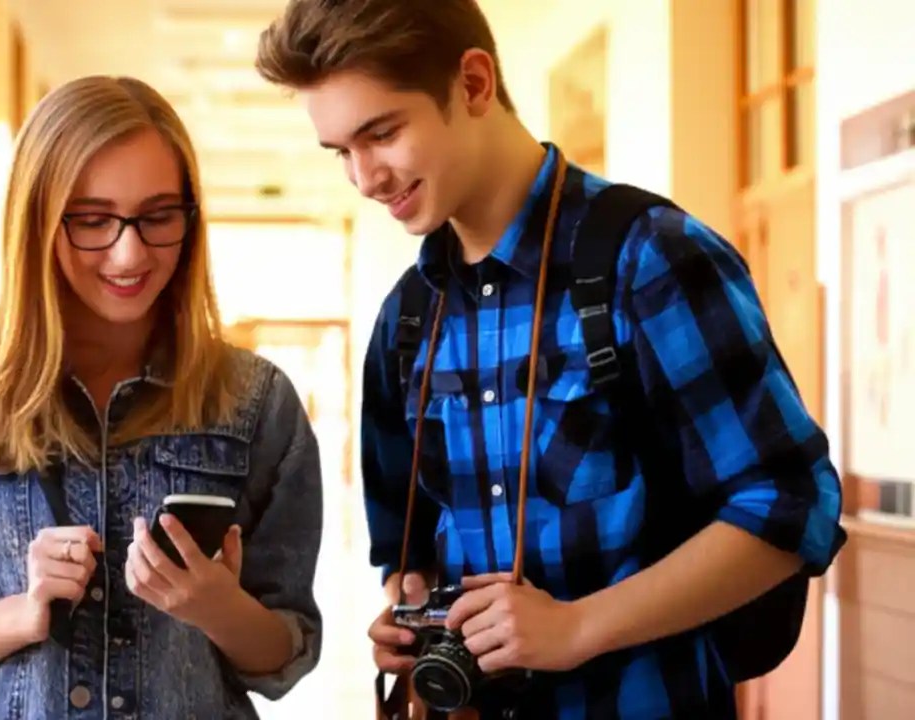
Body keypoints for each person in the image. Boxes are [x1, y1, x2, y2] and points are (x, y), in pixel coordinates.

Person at [255, 1, 846, 718]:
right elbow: (407, 554)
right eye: (341, 152)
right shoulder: (407, 318)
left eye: (381, 134)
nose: (365, 177)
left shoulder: (649, 259)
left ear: (474, 84)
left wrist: (576, 628)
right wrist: (411, 612)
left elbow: (791, 503)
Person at [0, 75, 324, 719]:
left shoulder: (256, 403)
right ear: (37, 223)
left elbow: (284, 651)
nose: (129, 254)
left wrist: (217, 607)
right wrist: (22, 613)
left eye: (158, 217)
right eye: (92, 220)